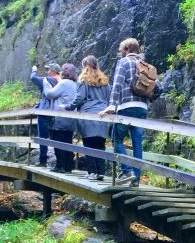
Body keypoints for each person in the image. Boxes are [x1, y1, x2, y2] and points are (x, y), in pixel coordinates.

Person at [99, 38, 160, 186]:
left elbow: (117, 84)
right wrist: (148, 100)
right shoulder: (148, 66)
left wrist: (112, 105)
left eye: (121, 50)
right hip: (142, 108)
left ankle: (127, 171)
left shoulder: (124, 62)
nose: (120, 53)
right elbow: (159, 88)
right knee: (137, 142)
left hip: (126, 107)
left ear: (126, 49)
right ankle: (136, 179)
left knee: (115, 138)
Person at [69, 56, 111, 180]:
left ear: (84, 66)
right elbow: (110, 98)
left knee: (89, 145)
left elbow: (80, 98)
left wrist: (69, 107)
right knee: (100, 145)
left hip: (88, 116)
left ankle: (92, 172)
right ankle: (101, 172)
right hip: (102, 116)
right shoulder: (105, 81)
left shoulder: (83, 80)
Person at [43, 63, 78, 172]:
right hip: (72, 119)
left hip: (60, 118)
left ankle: (60, 166)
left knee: (58, 141)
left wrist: (45, 84)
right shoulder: (75, 84)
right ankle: (69, 166)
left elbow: (50, 94)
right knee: (68, 141)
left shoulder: (64, 83)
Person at [29, 62, 60, 168]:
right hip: (56, 112)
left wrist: (34, 69)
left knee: (42, 137)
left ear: (53, 71)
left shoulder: (46, 80)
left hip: (44, 112)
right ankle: (60, 163)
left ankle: (43, 161)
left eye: (49, 70)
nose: (47, 72)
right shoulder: (61, 82)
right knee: (56, 137)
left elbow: (33, 78)